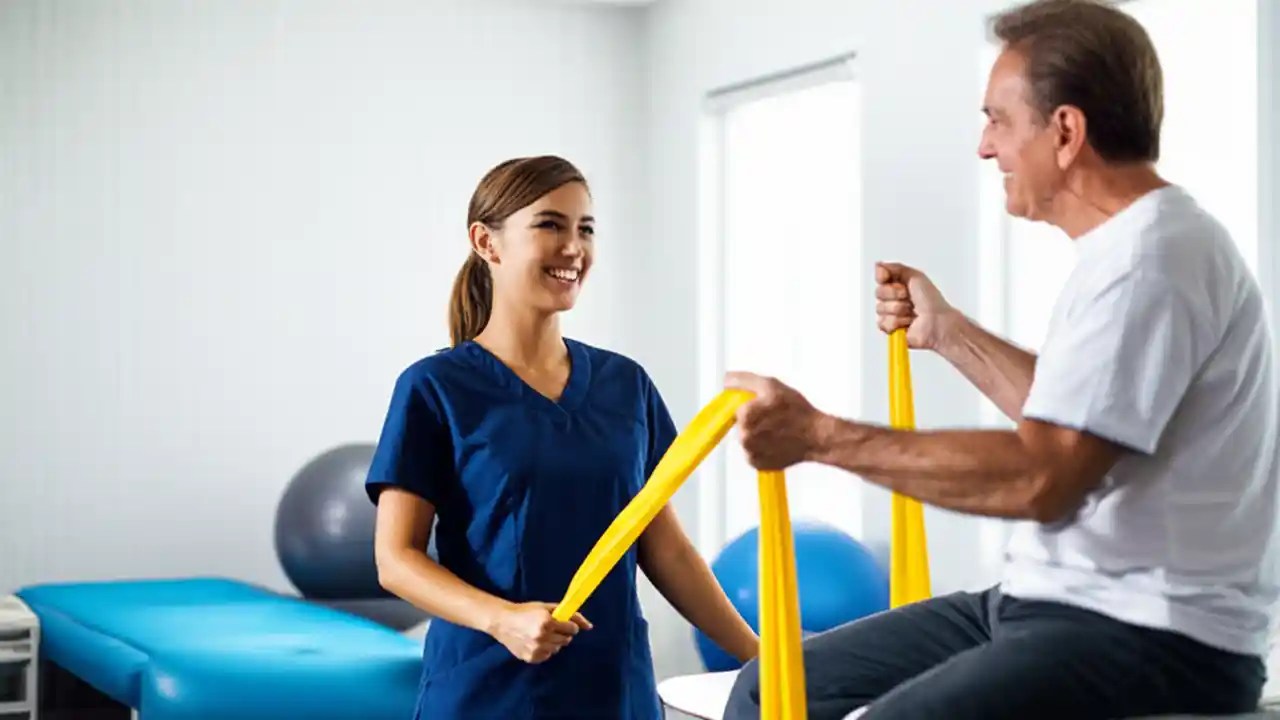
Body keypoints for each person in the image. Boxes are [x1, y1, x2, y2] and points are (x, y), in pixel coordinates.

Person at [721, 1, 1279, 719]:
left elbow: (1046, 476)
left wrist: (820, 437)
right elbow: (1075, 415)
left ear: (1066, 131)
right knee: (772, 686)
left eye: (998, 120)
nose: (986, 147)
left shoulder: (1152, 262)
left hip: (1153, 636)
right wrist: (948, 331)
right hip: (1044, 603)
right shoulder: (1133, 247)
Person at [365, 155, 759, 719]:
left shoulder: (625, 385)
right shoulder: (434, 388)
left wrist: (763, 661)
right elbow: (395, 559)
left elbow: (664, 548)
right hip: (486, 692)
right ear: (487, 242)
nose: (574, 247)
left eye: (586, 229)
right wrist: (503, 619)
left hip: (613, 689)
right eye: (550, 225)